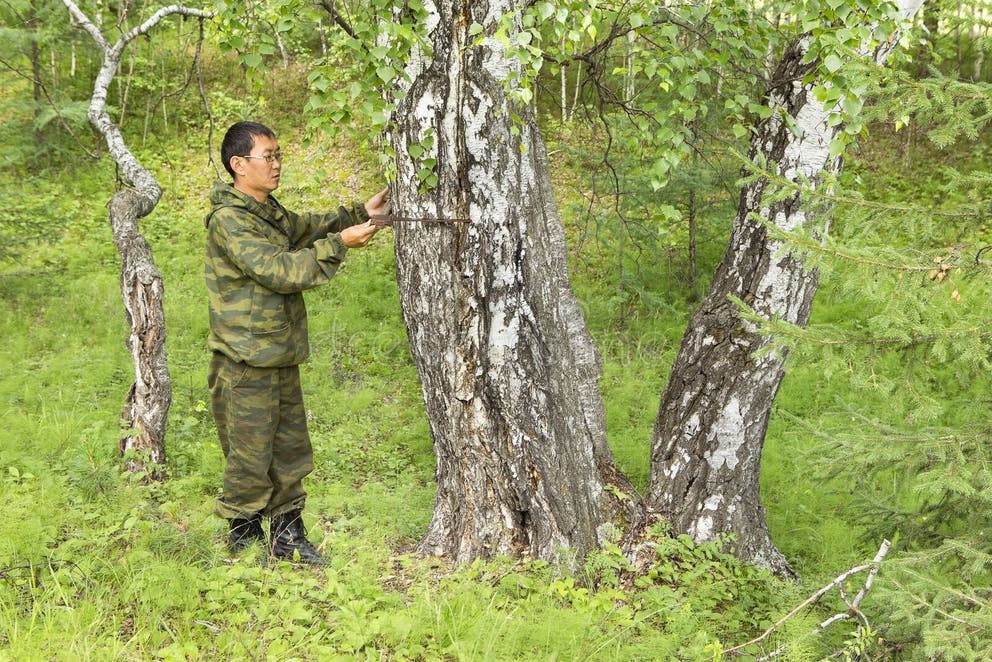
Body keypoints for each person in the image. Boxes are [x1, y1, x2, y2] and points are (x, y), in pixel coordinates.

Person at [204, 121, 387, 563]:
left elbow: (303, 229)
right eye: (268, 156)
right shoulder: (230, 220)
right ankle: (243, 545)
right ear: (238, 165)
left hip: (277, 352)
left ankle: (287, 539)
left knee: (289, 450)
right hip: (246, 360)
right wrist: (341, 244)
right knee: (249, 458)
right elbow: (280, 270)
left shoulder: (265, 210)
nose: (277, 164)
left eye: (279, 154)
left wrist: (359, 212)